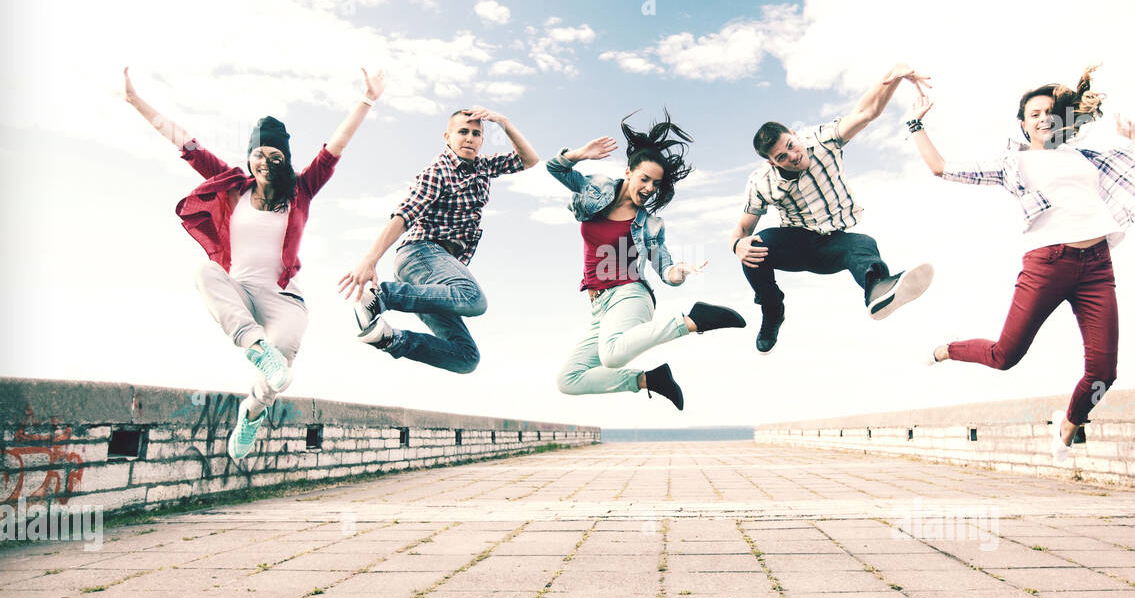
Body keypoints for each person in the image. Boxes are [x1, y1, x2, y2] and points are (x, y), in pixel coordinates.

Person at [909, 65, 1135, 461]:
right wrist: (915, 125)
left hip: (1097, 266)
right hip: (1047, 264)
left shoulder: (1085, 157)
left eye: (1048, 112)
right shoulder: (1014, 164)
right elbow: (941, 168)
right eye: (1033, 114)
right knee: (1005, 356)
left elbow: (1126, 178)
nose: (1042, 118)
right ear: (1023, 124)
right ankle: (947, 349)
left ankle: (1069, 424)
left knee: (1104, 372)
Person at [123, 65, 385, 460]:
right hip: (239, 290)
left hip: (281, 296)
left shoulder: (302, 188)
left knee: (285, 355)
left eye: (274, 155)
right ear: (250, 157)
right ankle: (254, 346)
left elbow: (335, 147)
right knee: (204, 272)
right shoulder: (231, 183)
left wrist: (366, 100)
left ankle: (251, 411)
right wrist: (136, 101)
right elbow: (183, 141)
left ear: (285, 159)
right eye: (259, 154)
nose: (265, 162)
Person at [728, 62, 936, 354]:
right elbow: (741, 229)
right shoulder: (762, 182)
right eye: (782, 156)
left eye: (791, 144)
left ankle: (877, 288)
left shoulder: (823, 140)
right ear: (771, 162)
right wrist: (737, 245)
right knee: (757, 245)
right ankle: (773, 310)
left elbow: (867, 112)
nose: (793, 155)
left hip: (833, 245)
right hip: (796, 244)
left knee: (863, 244)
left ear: (793, 133)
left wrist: (893, 78)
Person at [549, 114, 746, 410]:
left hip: (630, 295)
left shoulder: (650, 225)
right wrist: (579, 155)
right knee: (568, 379)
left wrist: (677, 272)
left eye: (655, 183)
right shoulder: (597, 189)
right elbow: (556, 168)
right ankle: (650, 380)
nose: (650, 188)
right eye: (645, 179)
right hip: (598, 304)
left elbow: (664, 268)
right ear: (628, 173)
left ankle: (694, 320)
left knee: (612, 356)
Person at [339, 107, 538, 374]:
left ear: (481, 141)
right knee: (473, 298)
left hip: (432, 278)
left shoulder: (484, 166)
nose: (469, 138)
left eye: (476, 134)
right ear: (448, 137)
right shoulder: (439, 170)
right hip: (419, 254)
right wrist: (370, 259)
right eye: (463, 132)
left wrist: (504, 122)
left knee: (466, 357)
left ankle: (389, 338)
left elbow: (529, 159)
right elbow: (404, 215)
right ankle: (382, 296)